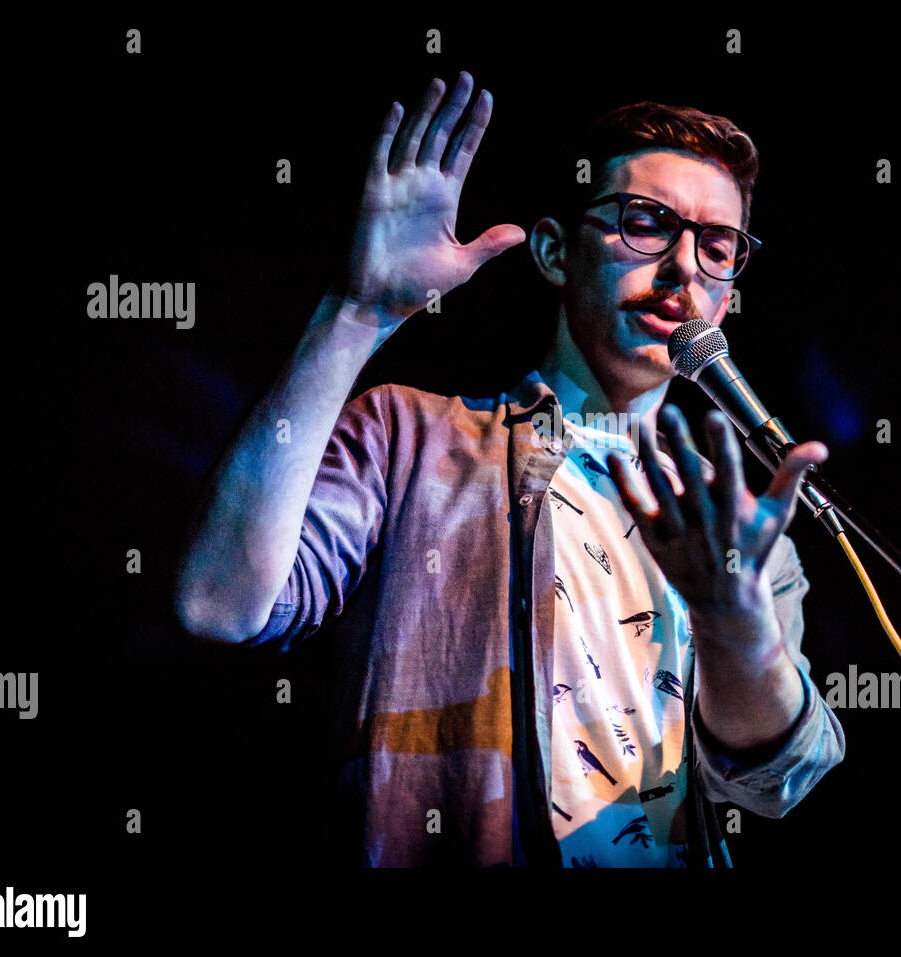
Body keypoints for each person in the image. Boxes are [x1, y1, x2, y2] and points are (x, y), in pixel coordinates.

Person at [173, 71, 845, 867]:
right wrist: (356, 312)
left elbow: (775, 779)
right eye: (644, 223)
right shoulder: (410, 435)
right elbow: (218, 603)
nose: (682, 268)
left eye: (717, 246)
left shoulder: (733, 519)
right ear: (557, 252)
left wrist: (734, 620)